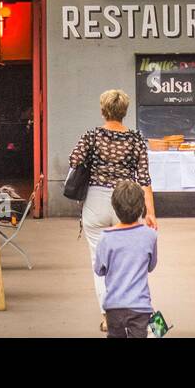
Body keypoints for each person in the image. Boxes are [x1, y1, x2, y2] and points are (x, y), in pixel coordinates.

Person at [68, 89, 156, 330]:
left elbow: (74, 160)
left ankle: (108, 315)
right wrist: (150, 212)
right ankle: (137, 311)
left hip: (95, 202)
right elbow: (145, 178)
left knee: (99, 260)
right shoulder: (136, 138)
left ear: (102, 110)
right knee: (131, 260)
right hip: (126, 199)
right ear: (125, 112)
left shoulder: (92, 136)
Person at [93, 179, 159, 339]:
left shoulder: (105, 237)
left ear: (114, 207)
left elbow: (99, 269)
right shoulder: (150, 235)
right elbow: (151, 266)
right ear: (142, 207)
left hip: (113, 306)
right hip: (141, 306)